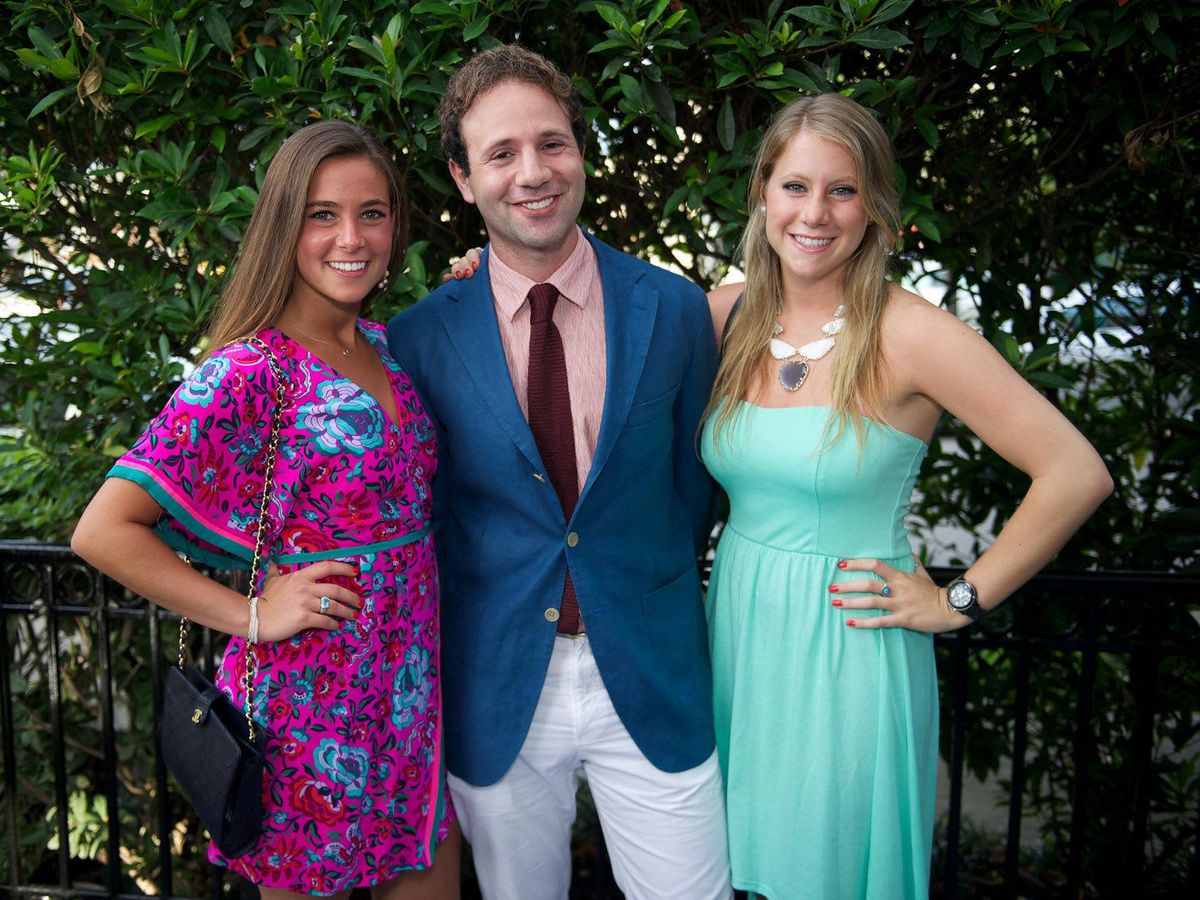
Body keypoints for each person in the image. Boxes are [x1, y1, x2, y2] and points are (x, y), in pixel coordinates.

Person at [701, 93, 1113, 899]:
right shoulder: (724, 317)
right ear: (761, 193)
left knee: (824, 874)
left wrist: (957, 600)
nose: (815, 212)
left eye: (842, 190)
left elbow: (1076, 471)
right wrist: (483, 276)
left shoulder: (912, 333)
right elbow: (585, 329)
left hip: (848, 644)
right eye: (794, 186)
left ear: (875, 207)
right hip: (739, 639)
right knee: (729, 871)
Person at [72, 120, 460, 900]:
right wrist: (251, 614)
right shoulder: (249, 370)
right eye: (322, 214)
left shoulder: (385, 348)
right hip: (306, 717)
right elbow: (102, 531)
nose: (350, 237)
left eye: (372, 213)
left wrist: (478, 281)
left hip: (410, 710)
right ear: (285, 225)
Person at [387, 44, 732, 900]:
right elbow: (425, 511)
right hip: (498, 683)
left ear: (582, 152)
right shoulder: (421, 339)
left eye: (553, 143)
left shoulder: (675, 307)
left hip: (650, 670)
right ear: (464, 180)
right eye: (501, 154)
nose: (533, 172)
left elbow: (695, 491)